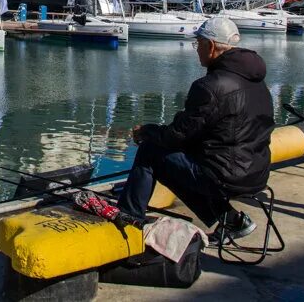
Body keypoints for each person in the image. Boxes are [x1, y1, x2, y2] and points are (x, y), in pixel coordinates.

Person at [116, 17, 275, 242]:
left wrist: (147, 131)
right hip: (256, 172)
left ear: (210, 46)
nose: (196, 49)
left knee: (151, 151)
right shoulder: (256, 80)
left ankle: (127, 218)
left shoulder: (210, 87)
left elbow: (177, 136)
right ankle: (231, 219)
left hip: (226, 176)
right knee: (180, 166)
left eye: (198, 44)